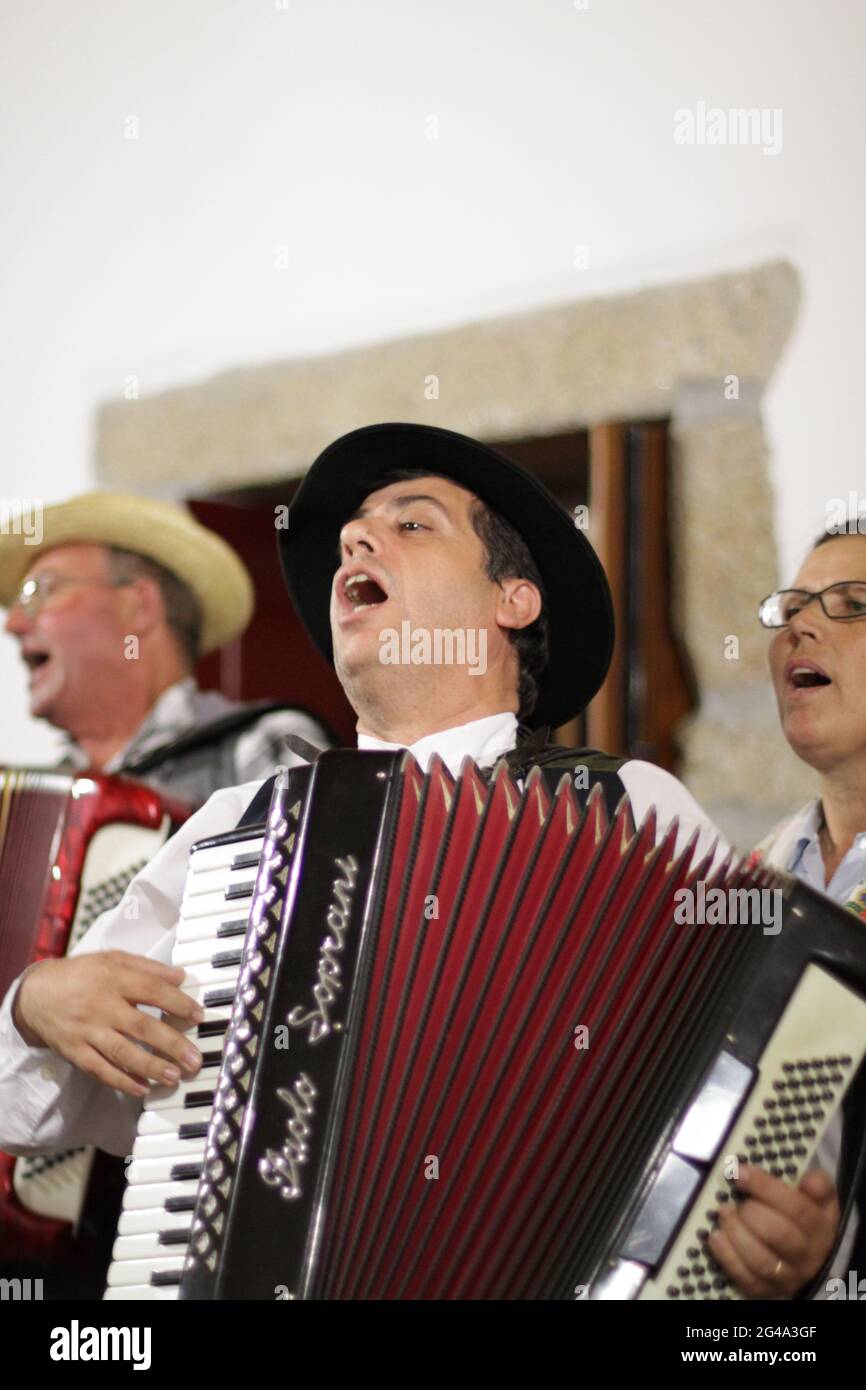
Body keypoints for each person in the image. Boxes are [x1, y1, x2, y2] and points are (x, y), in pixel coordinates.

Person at [0, 425, 843, 1298]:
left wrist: (794, 1241)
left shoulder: (630, 810)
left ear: (513, 599)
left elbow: (755, 1120)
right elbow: (26, 1106)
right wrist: (34, 1003)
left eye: (411, 525)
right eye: (353, 534)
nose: (357, 541)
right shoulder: (238, 828)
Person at [0, 491, 330, 801]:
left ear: (138, 607)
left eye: (40, 591)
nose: (13, 624)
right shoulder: (40, 798)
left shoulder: (263, 745)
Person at [749, 522, 866, 1292]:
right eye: (790, 605)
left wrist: (835, 1245)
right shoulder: (750, 880)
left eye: (851, 604)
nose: (801, 624)